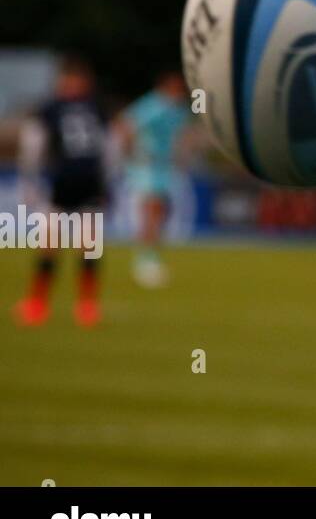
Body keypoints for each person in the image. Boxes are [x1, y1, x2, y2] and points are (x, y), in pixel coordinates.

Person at [12, 55, 111, 328]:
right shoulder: (96, 107)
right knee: (84, 245)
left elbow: (33, 145)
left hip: (64, 179)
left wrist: (29, 179)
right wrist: (109, 179)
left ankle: (40, 303)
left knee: (54, 244)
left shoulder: (51, 108)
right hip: (88, 179)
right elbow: (108, 147)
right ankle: (86, 306)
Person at [114, 70, 193, 288]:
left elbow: (183, 134)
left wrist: (181, 157)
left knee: (160, 213)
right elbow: (124, 125)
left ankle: (151, 256)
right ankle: (144, 260)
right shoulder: (154, 105)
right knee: (151, 210)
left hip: (165, 167)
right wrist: (131, 153)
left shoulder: (178, 110)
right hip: (147, 168)